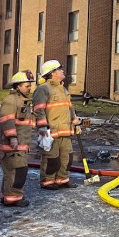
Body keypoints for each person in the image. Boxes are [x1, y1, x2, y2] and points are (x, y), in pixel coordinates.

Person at [32, 60, 80, 190]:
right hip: (51, 131)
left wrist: (75, 121)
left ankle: (62, 179)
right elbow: (38, 109)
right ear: (53, 73)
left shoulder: (63, 89)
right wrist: (43, 128)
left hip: (65, 130)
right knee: (51, 159)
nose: (63, 71)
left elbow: (69, 107)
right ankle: (47, 181)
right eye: (60, 69)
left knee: (67, 158)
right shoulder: (43, 89)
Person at [0, 70, 36, 207]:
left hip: (20, 145)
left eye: (30, 85)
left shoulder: (23, 101)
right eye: (27, 85)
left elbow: (27, 122)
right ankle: (13, 198)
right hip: (13, 146)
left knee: (12, 172)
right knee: (18, 171)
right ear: (18, 86)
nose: (30, 88)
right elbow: (7, 121)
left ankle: (7, 195)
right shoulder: (11, 101)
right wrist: (12, 137)